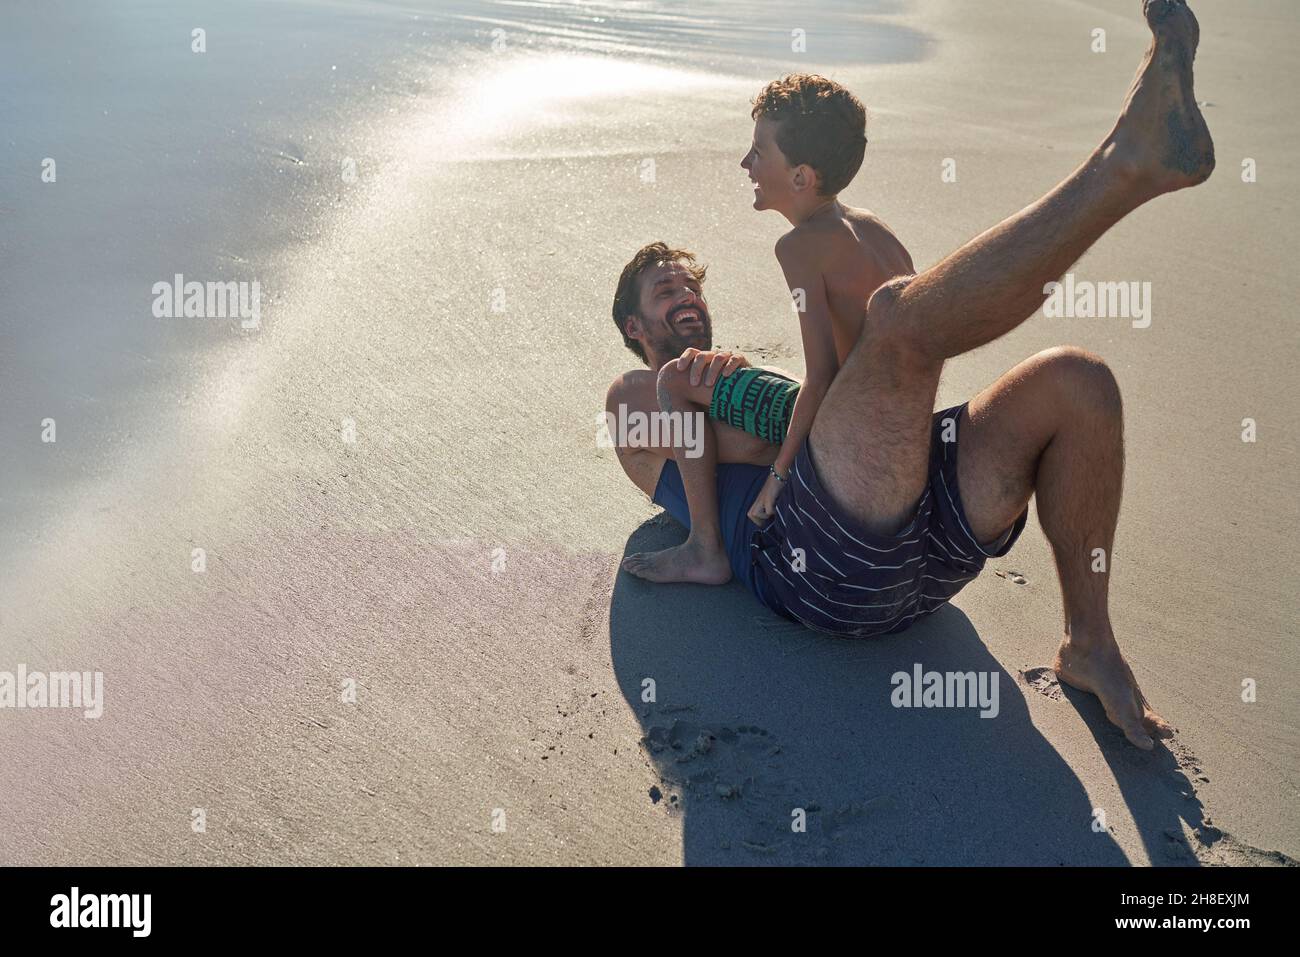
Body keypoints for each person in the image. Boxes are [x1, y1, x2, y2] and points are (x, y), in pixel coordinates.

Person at [607, 0, 1213, 749]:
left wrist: (746, 386)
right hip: (817, 559)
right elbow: (733, 436)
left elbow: (820, 408)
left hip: (927, 541)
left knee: (1078, 382)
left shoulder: (746, 368)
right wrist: (721, 401)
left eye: (690, 285)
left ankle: (1088, 640)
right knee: (897, 318)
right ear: (634, 329)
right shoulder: (633, 395)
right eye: (664, 294)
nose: (686, 298)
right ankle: (1126, 165)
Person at [620, 74, 913, 586]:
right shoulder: (874, 229)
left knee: (672, 381)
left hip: (840, 424)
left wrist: (778, 477)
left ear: (800, 176)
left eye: (758, 151)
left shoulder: (799, 246)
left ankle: (705, 549)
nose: (746, 163)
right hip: (898, 421)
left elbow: (821, 375)